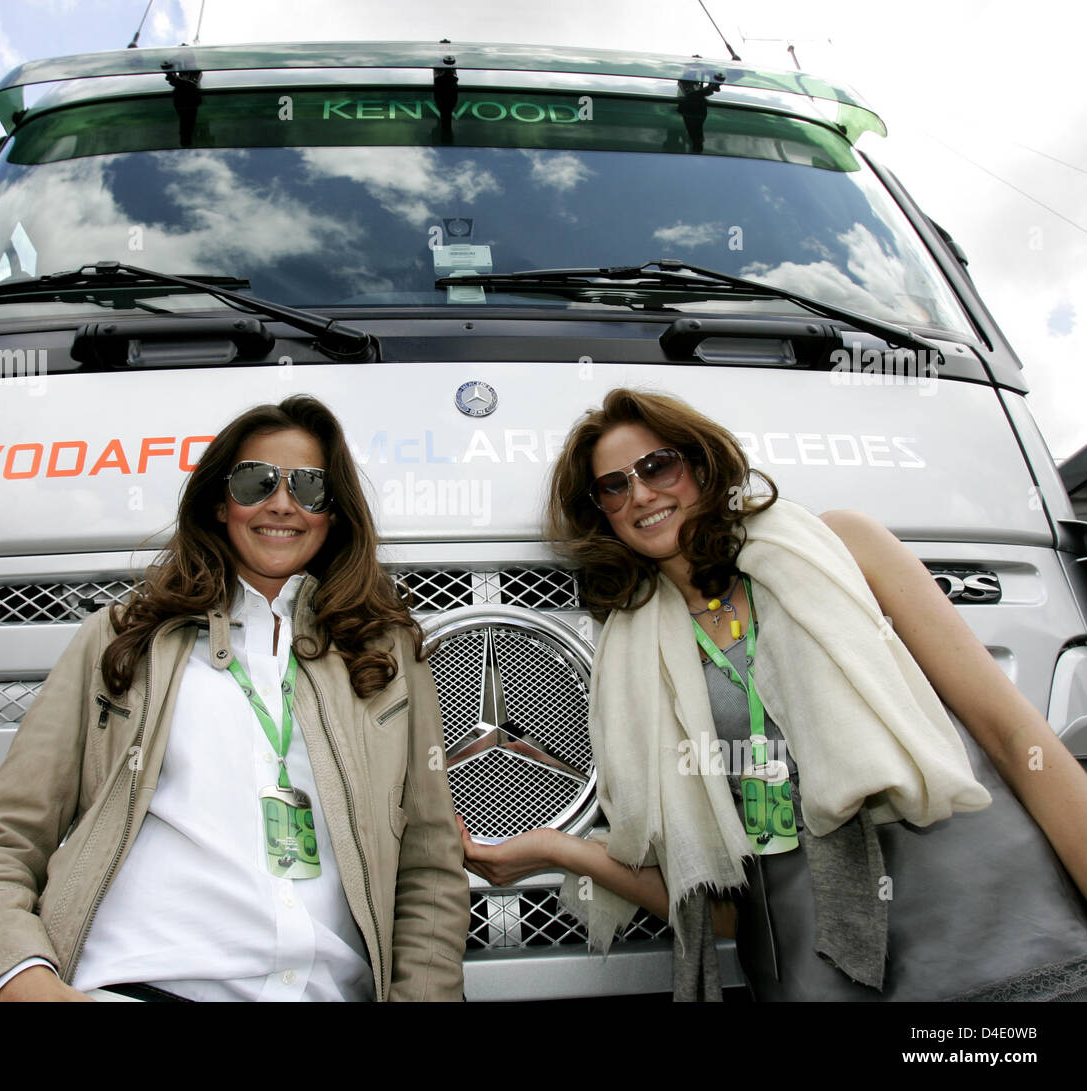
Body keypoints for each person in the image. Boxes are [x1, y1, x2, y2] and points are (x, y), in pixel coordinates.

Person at [461, 387, 1087, 1001]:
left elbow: (1013, 734)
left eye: (657, 466)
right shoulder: (632, 654)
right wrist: (560, 850)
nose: (641, 494)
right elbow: (722, 906)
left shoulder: (840, 546)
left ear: (703, 466)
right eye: (613, 486)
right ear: (601, 511)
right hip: (813, 974)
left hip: (1003, 941)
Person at [0, 395, 468, 1002]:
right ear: (219, 502)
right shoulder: (122, 638)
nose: (283, 502)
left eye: (311, 487)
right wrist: (24, 985)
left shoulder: (388, 654)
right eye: (256, 481)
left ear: (335, 513)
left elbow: (430, 871)